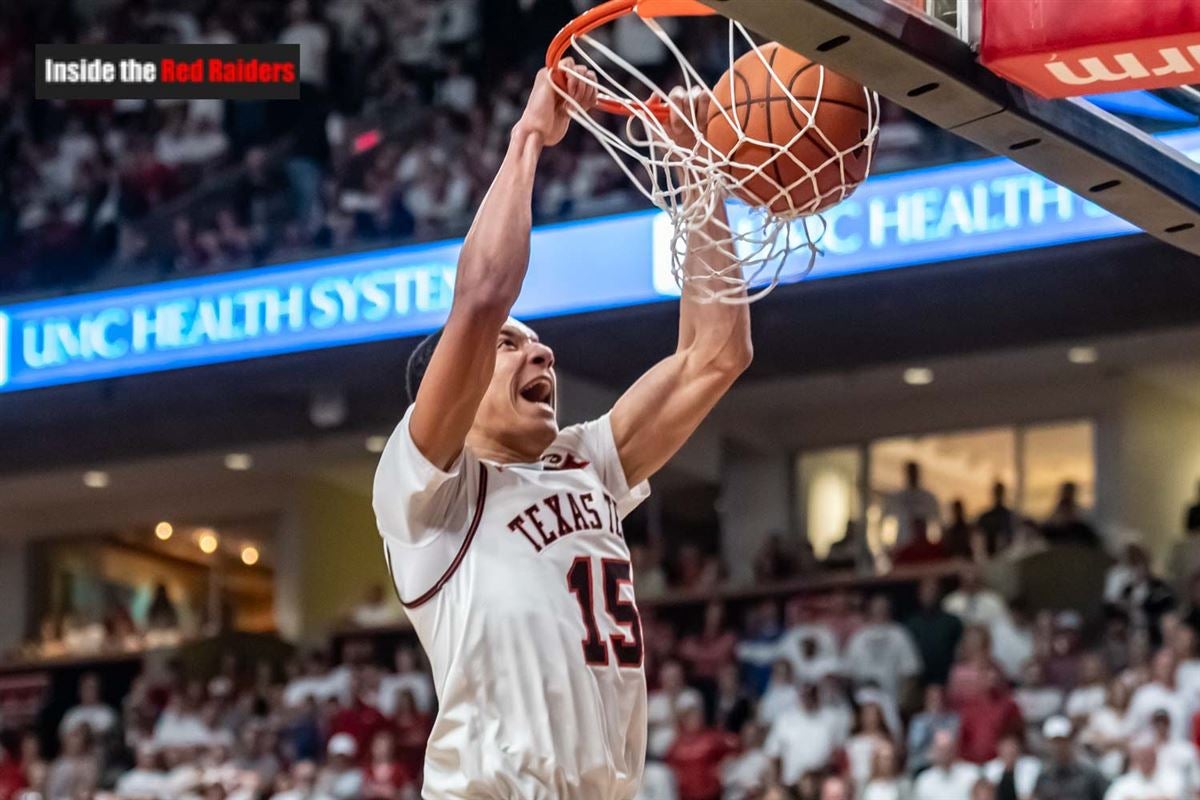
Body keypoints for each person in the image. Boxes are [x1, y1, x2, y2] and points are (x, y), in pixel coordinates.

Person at [370, 63, 755, 799]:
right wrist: (528, 139)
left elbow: (716, 354)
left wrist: (698, 173)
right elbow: (483, 296)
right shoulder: (426, 497)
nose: (540, 351)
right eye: (510, 345)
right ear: (448, 388)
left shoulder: (588, 463)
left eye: (536, 341)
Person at [764, 684, 839, 792]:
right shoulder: (785, 720)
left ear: (818, 696)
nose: (808, 699)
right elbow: (773, 754)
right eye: (805, 695)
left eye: (812, 695)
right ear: (800, 696)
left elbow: (836, 753)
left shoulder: (830, 719)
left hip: (821, 783)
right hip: (791, 783)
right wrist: (775, 784)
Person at [664, 694, 737, 800]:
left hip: (710, 793)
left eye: (698, 716)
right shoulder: (677, 743)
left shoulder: (711, 737)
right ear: (684, 720)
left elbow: (734, 747)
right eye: (691, 717)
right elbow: (668, 763)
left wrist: (722, 767)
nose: (695, 720)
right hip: (686, 795)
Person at [906, 577, 964, 686]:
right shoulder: (911, 623)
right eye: (926, 592)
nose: (929, 595)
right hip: (919, 681)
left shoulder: (952, 621)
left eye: (933, 591)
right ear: (919, 595)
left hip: (948, 679)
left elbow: (961, 649)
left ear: (940, 593)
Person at [1033, 716, 1108, 800]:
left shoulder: (1090, 774)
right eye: (1054, 742)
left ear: (1070, 741)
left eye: (1062, 741)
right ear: (1047, 744)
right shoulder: (1044, 778)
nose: (1058, 746)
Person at [881, 461, 942, 551]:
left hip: (924, 546)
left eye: (914, 472)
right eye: (910, 472)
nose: (912, 475)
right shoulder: (897, 497)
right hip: (902, 546)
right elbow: (886, 521)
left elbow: (937, 521)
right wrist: (887, 547)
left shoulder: (928, 497)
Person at [1104, 734, 1181, 800]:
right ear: (1136, 759)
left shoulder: (1171, 777)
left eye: (1149, 756)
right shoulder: (1123, 783)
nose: (1146, 761)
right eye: (1142, 757)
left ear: (1155, 756)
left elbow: (1173, 797)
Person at [912, 730, 979, 800]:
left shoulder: (971, 774)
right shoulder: (924, 780)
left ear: (954, 749)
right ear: (934, 751)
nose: (944, 754)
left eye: (948, 749)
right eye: (941, 750)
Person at [908, 683, 960, 773]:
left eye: (938, 697)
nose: (936, 701)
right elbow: (914, 744)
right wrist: (930, 720)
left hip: (947, 762)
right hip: (922, 763)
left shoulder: (952, 719)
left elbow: (952, 742)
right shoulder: (918, 720)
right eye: (932, 698)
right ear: (926, 700)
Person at [720, 721, 772, 800]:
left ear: (758, 736)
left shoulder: (762, 758)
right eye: (745, 734)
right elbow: (723, 779)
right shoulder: (733, 756)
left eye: (751, 735)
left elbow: (764, 785)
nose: (747, 737)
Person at [59, 672, 119, 739]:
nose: (89, 691)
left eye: (92, 687)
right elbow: (63, 735)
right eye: (86, 687)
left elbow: (105, 735)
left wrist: (85, 731)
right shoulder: (72, 713)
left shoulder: (107, 712)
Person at [984, 734, 1040, 800]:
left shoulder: (1031, 765)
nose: (1009, 754)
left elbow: (1026, 795)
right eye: (1006, 751)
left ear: (1018, 750)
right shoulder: (991, 768)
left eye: (1011, 751)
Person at [317, 733, 365, 800]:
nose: (339, 760)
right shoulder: (322, 775)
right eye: (336, 757)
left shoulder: (357, 776)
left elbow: (344, 793)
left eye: (343, 757)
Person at [977, 482, 1017, 556]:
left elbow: (1011, 539)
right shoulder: (986, 517)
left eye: (1000, 492)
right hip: (991, 556)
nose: (999, 495)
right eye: (998, 492)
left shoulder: (1008, 516)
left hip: (1005, 555)